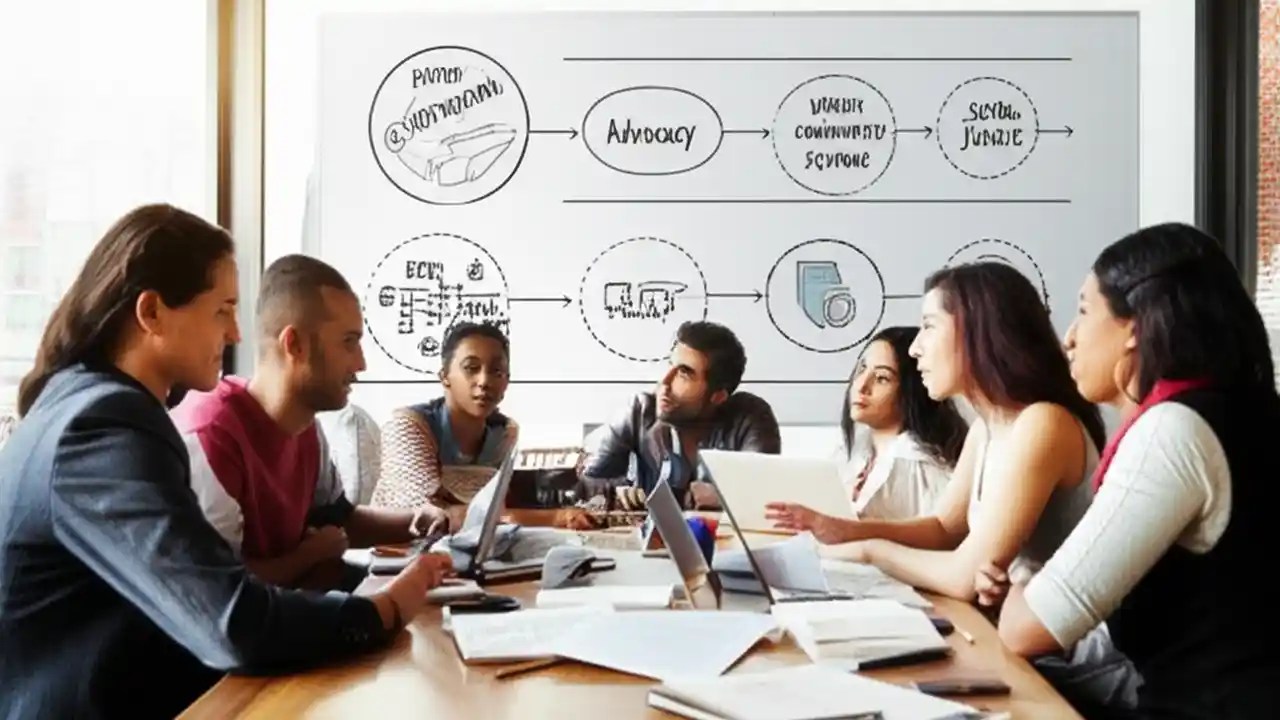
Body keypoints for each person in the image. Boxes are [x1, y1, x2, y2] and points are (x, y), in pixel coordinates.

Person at [0, 204, 449, 720]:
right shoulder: (103, 425)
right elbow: (230, 621)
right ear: (151, 314)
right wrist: (382, 609)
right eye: (222, 309)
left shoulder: (84, 402)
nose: (236, 333)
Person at [767, 263, 1139, 712]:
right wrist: (842, 530)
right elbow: (944, 526)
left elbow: (966, 575)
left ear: (980, 333)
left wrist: (870, 551)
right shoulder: (987, 429)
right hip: (1015, 642)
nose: (917, 349)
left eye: (928, 327)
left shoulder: (1044, 423)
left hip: (1073, 667)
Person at [978, 223, 1280, 718]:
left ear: (1133, 328)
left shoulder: (1173, 432)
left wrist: (1017, 588)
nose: (1069, 339)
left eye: (1082, 311)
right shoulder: (1242, 412)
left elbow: (1025, 630)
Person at [171, 254, 448, 591]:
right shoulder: (212, 435)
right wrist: (309, 556)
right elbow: (217, 591)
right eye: (349, 342)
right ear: (295, 344)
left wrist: (420, 518)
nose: (360, 363)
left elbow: (340, 520)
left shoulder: (306, 426)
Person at [578, 320, 780, 511]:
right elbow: (585, 484)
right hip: (649, 544)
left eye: (684, 373)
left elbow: (763, 494)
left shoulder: (749, 417)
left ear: (718, 396)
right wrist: (620, 492)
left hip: (721, 544)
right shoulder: (640, 412)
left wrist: (719, 497)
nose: (664, 383)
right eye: (669, 365)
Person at [371, 321, 518, 527]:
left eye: (497, 371)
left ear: (507, 382)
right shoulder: (408, 426)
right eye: (471, 368)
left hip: (469, 553)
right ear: (444, 377)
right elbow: (426, 519)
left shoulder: (504, 433)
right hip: (400, 552)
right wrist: (543, 518)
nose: (484, 381)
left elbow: (495, 513)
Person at [835, 326, 968, 520]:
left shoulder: (921, 467)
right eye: (862, 369)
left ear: (910, 391)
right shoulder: (850, 454)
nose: (862, 386)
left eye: (881, 378)